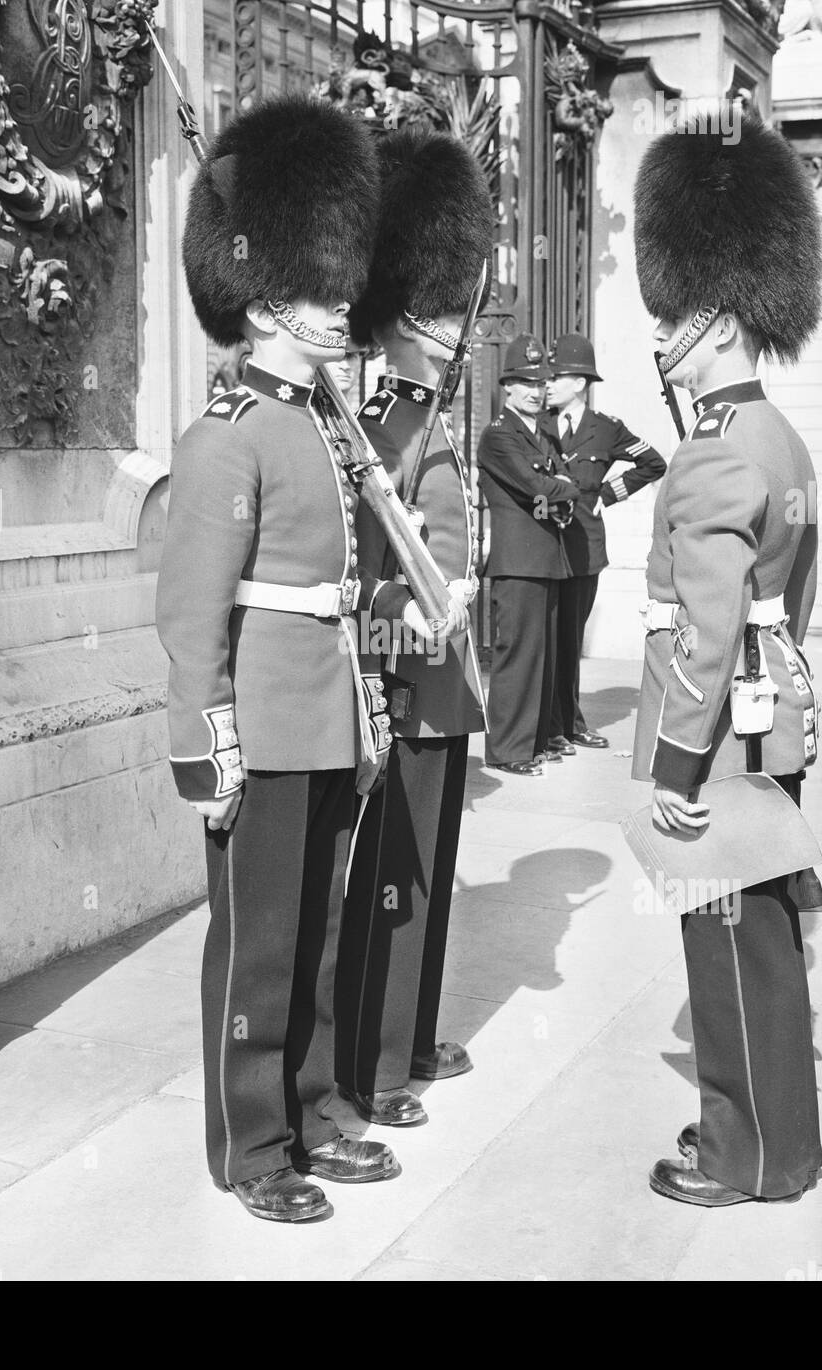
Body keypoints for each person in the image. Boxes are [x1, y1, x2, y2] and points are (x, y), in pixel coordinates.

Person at [157, 94, 440, 1223]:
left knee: (319, 936)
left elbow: (333, 572)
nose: (341, 306)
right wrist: (203, 740)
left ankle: (317, 1109)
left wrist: (389, 609)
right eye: (322, 290)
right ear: (266, 300)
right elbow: (192, 612)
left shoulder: (328, 429)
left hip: (329, 710)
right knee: (261, 947)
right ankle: (253, 1142)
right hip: (266, 723)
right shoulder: (227, 433)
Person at [631, 106, 822, 1206]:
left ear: (708, 320)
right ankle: (781, 1141)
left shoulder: (713, 455)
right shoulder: (780, 439)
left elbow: (702, 632)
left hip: (717, 737)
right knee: (768, 946)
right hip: (775, 717)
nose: (660, 338)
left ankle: (741, 1152)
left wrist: (668, 766)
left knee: (724, 947)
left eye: (671, 322)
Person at [335, 129, 492, 1127]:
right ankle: (375, 1061)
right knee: (391, 882)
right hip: (402, 680)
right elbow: (363, 577)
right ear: (400, 320)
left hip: (446, 683)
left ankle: (415, 1031)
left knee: (427, 879)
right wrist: (415, 622)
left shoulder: (436, 421)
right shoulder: (386, 428)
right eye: (432, 311)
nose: (451, 327)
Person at [545, 333, 665, 751]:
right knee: (546, 638)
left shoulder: (605, 429)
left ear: (579, 382)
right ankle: (547, 726)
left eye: (556, 376)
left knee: (570, 638)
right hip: (543, 544)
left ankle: (570, 722)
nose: (547, 384)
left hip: (584, 547)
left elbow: (654, 463)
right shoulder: (537, 424)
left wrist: (607, 495)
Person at [477, 336, 576, 776]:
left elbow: (561, 482)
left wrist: (562, 491)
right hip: (518, 562)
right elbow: (539, 487)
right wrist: (564, 491)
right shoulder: (500, 436)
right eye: (525, 382)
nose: (536, 391)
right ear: (507, 387)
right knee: (517, 656)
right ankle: (508, 749)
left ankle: (533, 741)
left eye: (542, 383)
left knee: (544, 656)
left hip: (546, 558)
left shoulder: (540, 434)